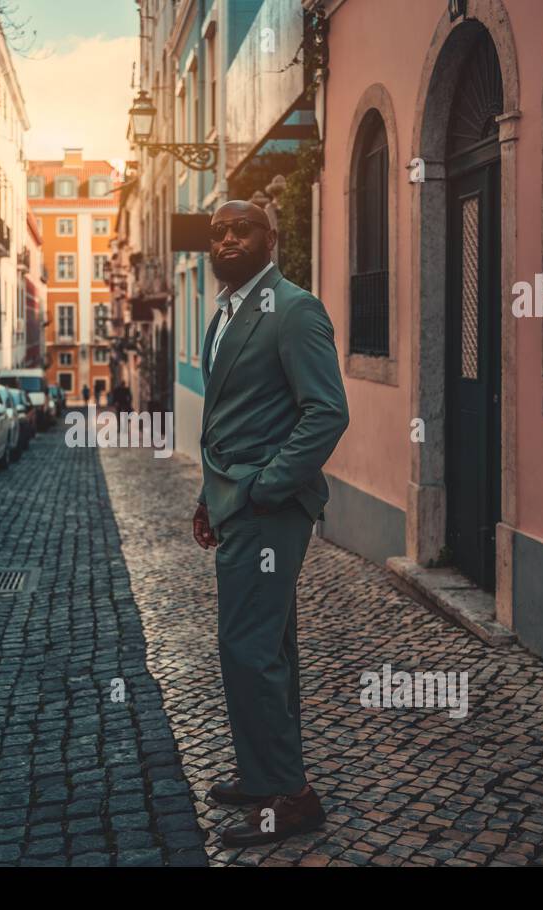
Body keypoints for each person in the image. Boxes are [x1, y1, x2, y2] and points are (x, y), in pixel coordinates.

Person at [192, 199, 349, 848]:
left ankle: (291, 797)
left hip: (269, 509)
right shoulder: (226, 311)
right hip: (236, 504)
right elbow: (228, 418)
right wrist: (210, 497)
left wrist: (264, 487)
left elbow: (326, 412)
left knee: (247, 648)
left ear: (272, 239)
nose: (228, 238)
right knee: (269, 646)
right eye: (219, 231)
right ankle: (265, 775)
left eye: (242, 229)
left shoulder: (294, 309)